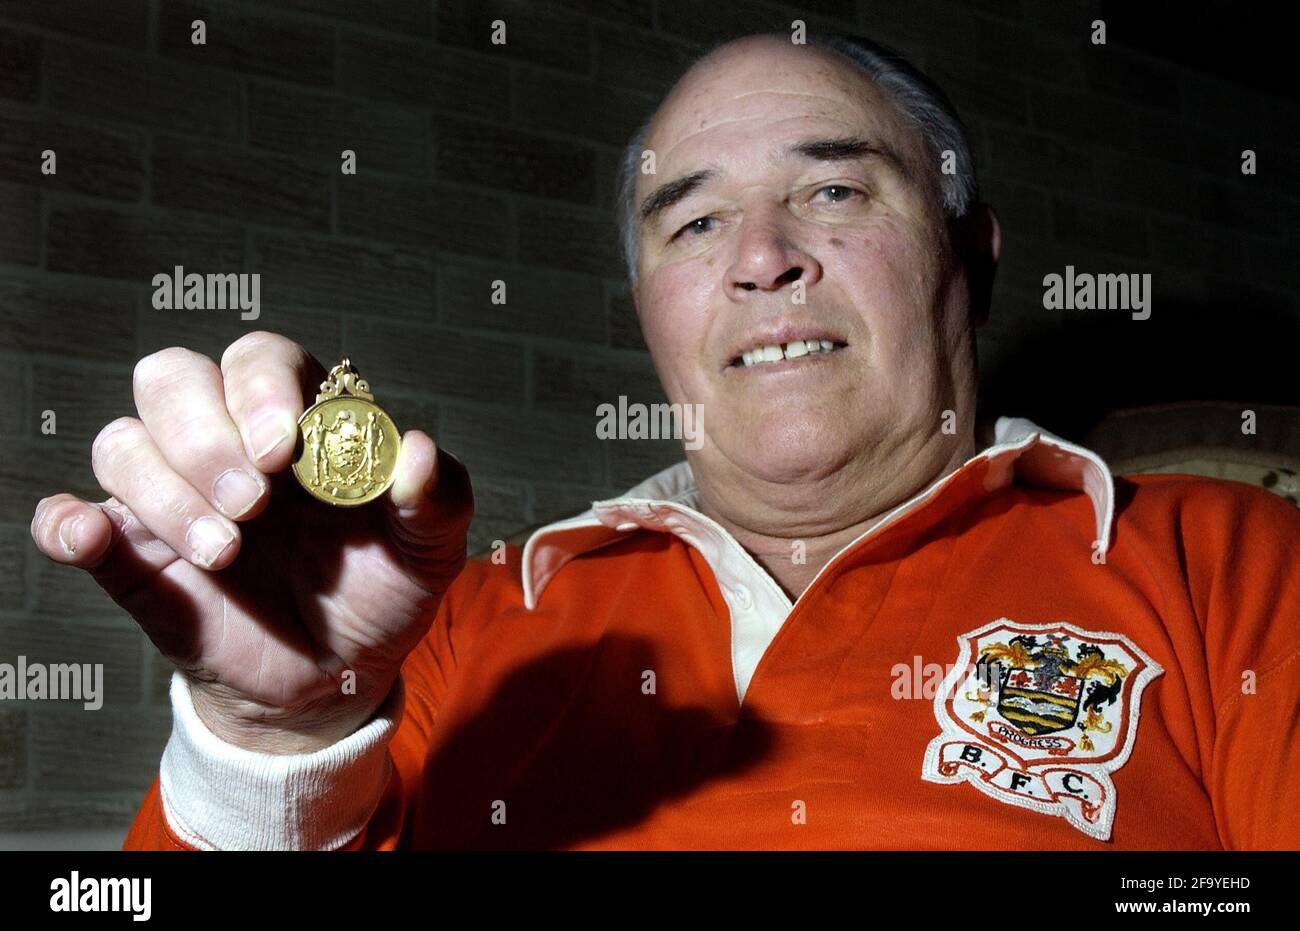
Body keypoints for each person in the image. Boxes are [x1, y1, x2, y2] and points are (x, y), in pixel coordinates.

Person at [30, 32, 1299, 850]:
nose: (761, 259)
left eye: (835, 191)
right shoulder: (450, 629)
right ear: (648, 304)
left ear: (970, 250)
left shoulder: (1231, 564)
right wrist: (270, 733)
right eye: (691, 225)